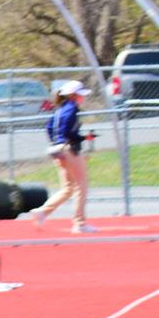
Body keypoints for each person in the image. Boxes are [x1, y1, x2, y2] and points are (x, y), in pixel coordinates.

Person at [34, 79, 96, 234]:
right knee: (81, 186)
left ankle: (42, 212)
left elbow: (50, 129)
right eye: (80, 95)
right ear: (74, 95)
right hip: (69, 150)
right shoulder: (71, 109)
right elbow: (68, 131)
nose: (83, 97)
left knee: (67, 188)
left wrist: (58, 145)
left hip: (58, 150)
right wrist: (80, 138)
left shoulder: (58, 110)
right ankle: (79, 224)